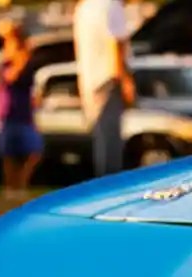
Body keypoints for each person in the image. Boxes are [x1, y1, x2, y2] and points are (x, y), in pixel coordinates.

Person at [73, 0, 135, 178]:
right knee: (111, 145)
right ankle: (110, 190)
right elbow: (115, 45)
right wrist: (126, 82)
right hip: (108, 81)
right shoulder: (111, 6)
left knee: (100, 140)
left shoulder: (84, 7)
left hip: (90, 81)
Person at [0, 19, 43, 200]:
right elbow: (11, 78)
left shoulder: (28, 65)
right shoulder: (6, 64)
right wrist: (21, 58)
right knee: (9, 154)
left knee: (34, 151)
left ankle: (21, 184)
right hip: (8, 112)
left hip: (24, 113)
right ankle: (10, 187)